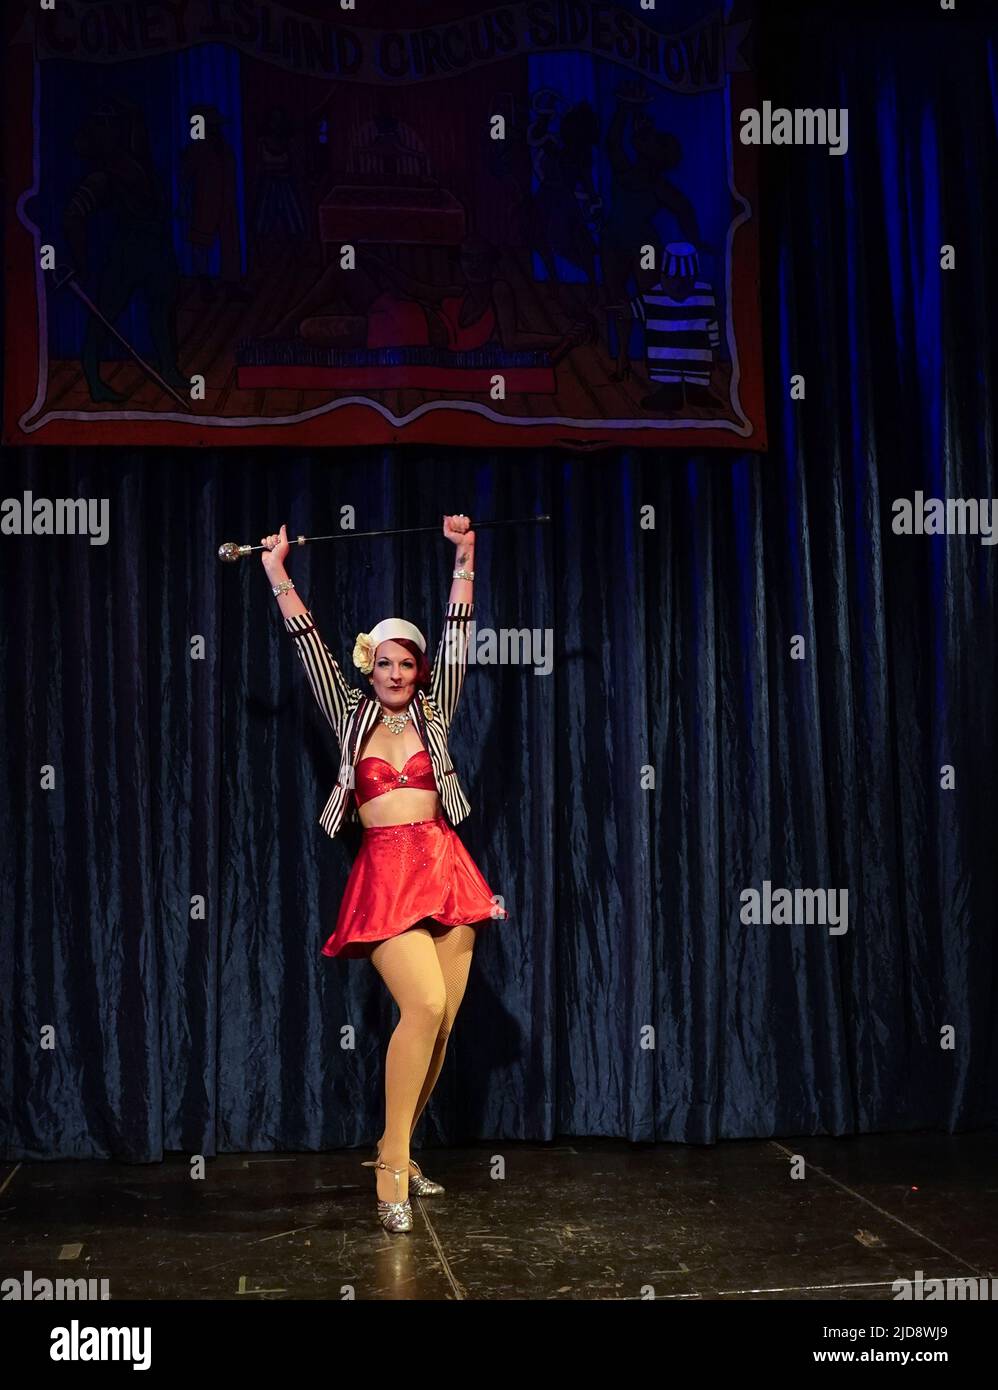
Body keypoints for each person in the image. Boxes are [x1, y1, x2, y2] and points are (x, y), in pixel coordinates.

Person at [260, 514, 508, 1234]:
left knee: (443, 1024)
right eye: (386, 663)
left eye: (408, 665)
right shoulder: (349, 713)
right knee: (422, 1006)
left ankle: (397, 1149)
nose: (397, 675)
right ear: (368, 666)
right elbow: (307, 646)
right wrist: (277, 572)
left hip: (444, 864)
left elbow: (459, 637)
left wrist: (466, 554)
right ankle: (391, 1168)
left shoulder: (435, 711)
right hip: (386, 873)